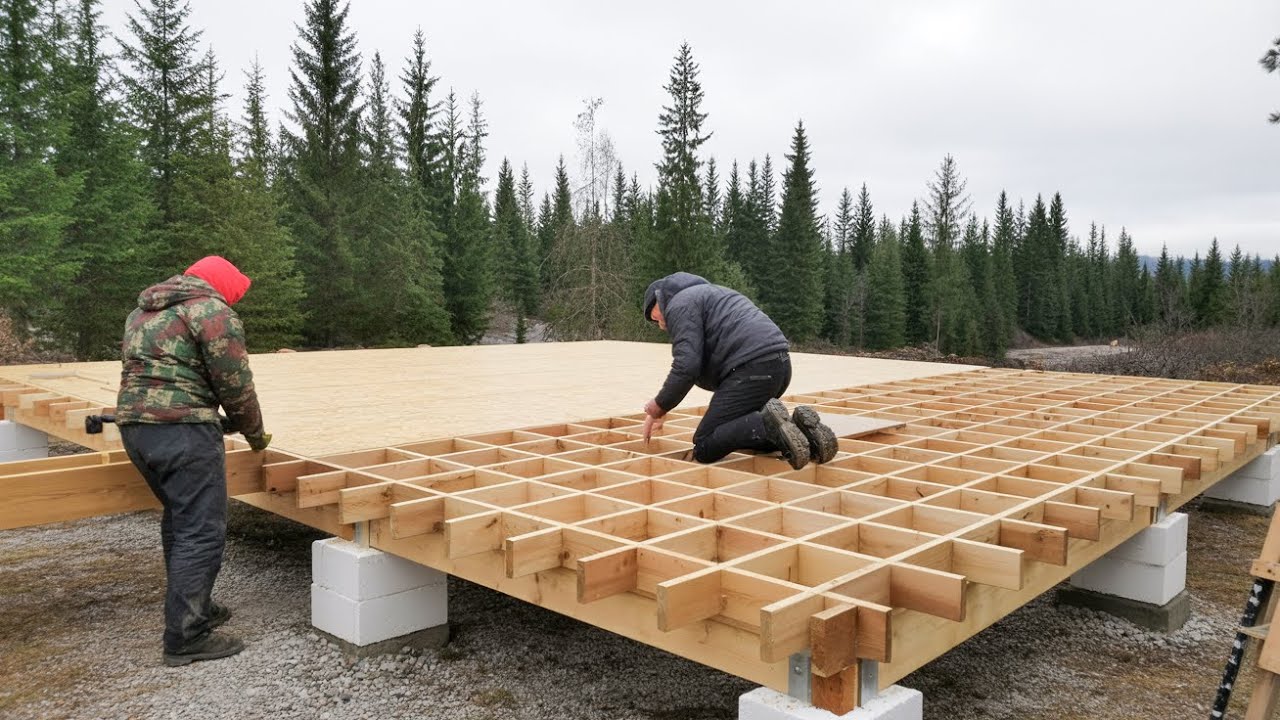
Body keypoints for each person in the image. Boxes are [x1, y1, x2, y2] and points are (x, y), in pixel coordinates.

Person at [116, 256, 271, 667]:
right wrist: (253, 432)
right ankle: (186, 636)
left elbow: (151, 372)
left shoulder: (143, 311)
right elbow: (234, 381)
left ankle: (195, 607)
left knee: (180, 520)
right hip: (182, 431)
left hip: (135, 426)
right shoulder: (211, 311)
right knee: (201, 530)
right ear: (221, 286)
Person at [640, 272, 838, 470]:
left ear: (658, 299)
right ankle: (803, 434)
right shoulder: (710, 295)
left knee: (705, 444)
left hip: (750, 369)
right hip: (779, 366)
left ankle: (766, 424)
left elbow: (686, 366)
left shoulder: (679, 304)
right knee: (738, 429)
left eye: (654, 317)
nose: (659, 325)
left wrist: (658, 407)